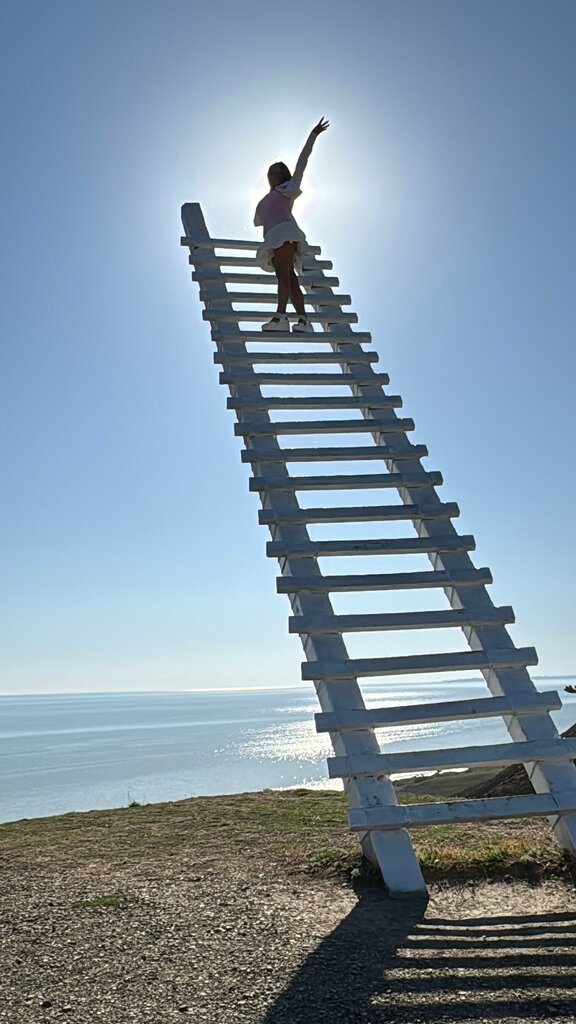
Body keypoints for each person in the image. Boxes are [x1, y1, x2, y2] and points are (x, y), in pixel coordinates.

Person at [254, 117, 329, 333]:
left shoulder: (288, 189)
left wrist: (313, 135)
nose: (275, 175)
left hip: (284, 233)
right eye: (272, 173)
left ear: (283, 175)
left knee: (283, 276)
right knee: (289, 279)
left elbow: (302, 163)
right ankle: (303, 320)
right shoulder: (270, 196)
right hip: (274, 237)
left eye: (278, 172)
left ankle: (281, 317)